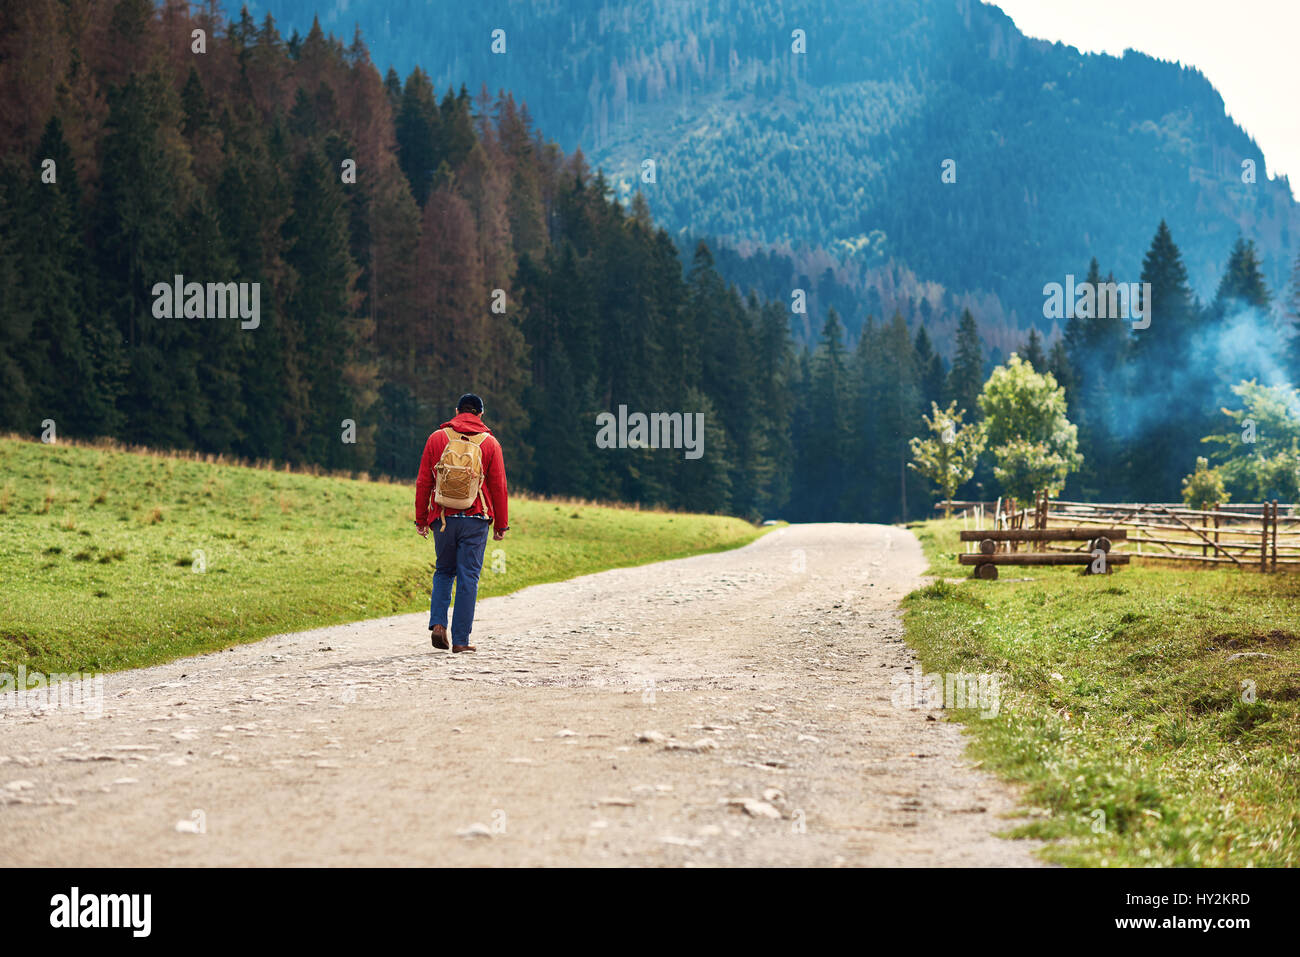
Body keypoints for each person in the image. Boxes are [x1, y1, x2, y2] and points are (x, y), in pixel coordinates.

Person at [414, 394, 509, 652]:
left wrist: (421, 519)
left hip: (443, 519)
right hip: (476, 519)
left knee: (444, 571)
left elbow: (424, 481)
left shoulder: (436, 438)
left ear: (456, 410)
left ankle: (437, 624)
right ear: (480, 414)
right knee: (468, 577)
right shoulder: (490, 443)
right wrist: (501, 524)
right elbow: (498, 487)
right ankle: (461, 641)